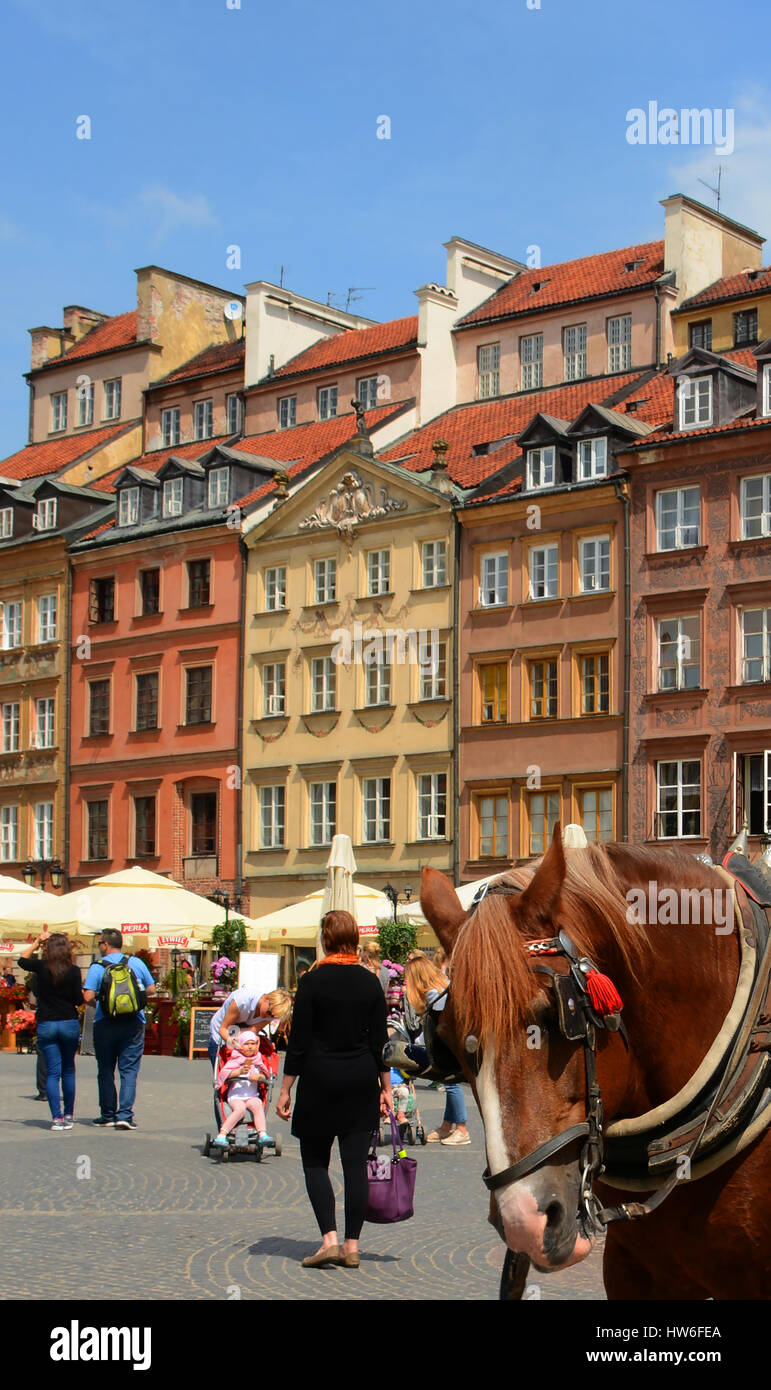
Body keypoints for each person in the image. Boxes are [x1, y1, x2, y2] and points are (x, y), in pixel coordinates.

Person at [277, 910, 391, 1270]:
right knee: (355, 1166)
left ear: (325, 939)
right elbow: (381, 1043)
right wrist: (386, 1087)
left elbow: (298, 1041)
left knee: (315, 1162)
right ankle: (352, 1246)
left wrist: (285, 1088)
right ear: (355, 938)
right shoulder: (370, 982)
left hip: (319, 1079)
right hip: (360, 1080)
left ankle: (328, 1239)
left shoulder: (312, 982)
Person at [83, 929, 156, 1130]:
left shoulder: (98, 967)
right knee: (129, 1070)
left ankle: (107, 1115)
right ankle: (125, 1115)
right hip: (133, 1023)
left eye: (100, 943)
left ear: (105, 944)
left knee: (105, 1070)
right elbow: (151, 989)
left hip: (105, 1023)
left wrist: (103, 1002)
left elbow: (88, 996)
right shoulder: (136, 962)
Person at [19, 929, 83, 1130]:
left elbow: (21, 960)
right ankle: (69, 1114)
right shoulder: (73, 970)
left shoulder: (41, 967)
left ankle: (56, 1118)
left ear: (48, 949)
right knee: (69, 1070)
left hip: (47, 1023)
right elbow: (78, 1000)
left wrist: (37, 941)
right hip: (68, 1023)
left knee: (53, 1073)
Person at [404, 955, 470, 1146]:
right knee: (448, 1081)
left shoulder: (434, 994)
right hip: (456, 1043)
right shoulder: (443, 986)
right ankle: (447, 1125)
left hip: (448, 1046)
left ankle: (462, 1129)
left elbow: (437, 1024)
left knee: (451, 1083)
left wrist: (419, 1041)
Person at [208, 987, 293, 1126]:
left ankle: (250, 1128)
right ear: (266, 999)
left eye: (273, 1016)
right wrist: (233, 1043)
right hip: (221, 1038)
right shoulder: (241, 1001)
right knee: (223, 1086)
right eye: (269, 1013)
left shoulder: (270, 1012)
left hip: (241, 1040)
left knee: (248, 1082)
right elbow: (223, 1028)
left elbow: (253, 1030)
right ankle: (224, 1130)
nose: (268, 1017)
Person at [213, 1030, 273, 1147]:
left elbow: (265, 1075)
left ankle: (262, 1134)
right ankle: (222, 1134)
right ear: (240, 1047)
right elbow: (225, 1074)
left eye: (253, 1044)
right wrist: (239, 1072)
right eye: (246, 1044)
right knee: (240, 1110)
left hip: (251, 1095)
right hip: (236, 1096)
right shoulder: (235, 1059)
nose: (250, 1046)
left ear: (257, 1046)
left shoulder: (258, 1060)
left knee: (257, 1105)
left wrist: (259, 1077)